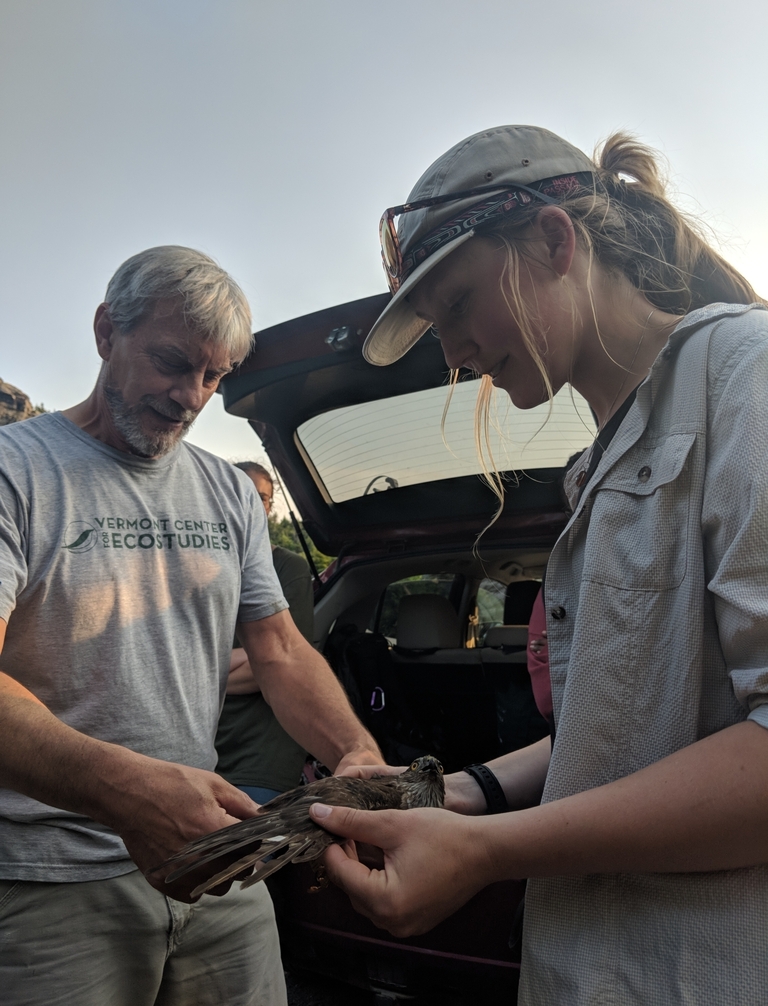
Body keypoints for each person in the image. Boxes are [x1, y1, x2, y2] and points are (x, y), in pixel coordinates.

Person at [307, 126, 768, 1005]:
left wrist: (489, 854)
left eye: (454, 304)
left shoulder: (746, 374)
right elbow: (623, 737)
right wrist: (452, 795)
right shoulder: (598, 466)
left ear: (556, 242)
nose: (451, 354)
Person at [0, 245, 382, 1006]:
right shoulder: (17, 471)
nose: (190, 396)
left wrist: (355, 749)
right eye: (172, 362)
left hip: (216, 862)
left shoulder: (227, 493)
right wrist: (124, 792)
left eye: (212, 377)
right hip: (48, 880)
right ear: (108, 329)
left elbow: (277, 647)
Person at [216, 461, 313, 803]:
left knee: (249, 855)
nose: (253, 505)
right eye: (242, 493)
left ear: (270, 509)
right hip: (200, 753)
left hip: (260, 759)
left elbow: (279, 663)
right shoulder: (197, 567)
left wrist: (192, 674)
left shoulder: (289, 569)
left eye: (262, 498)